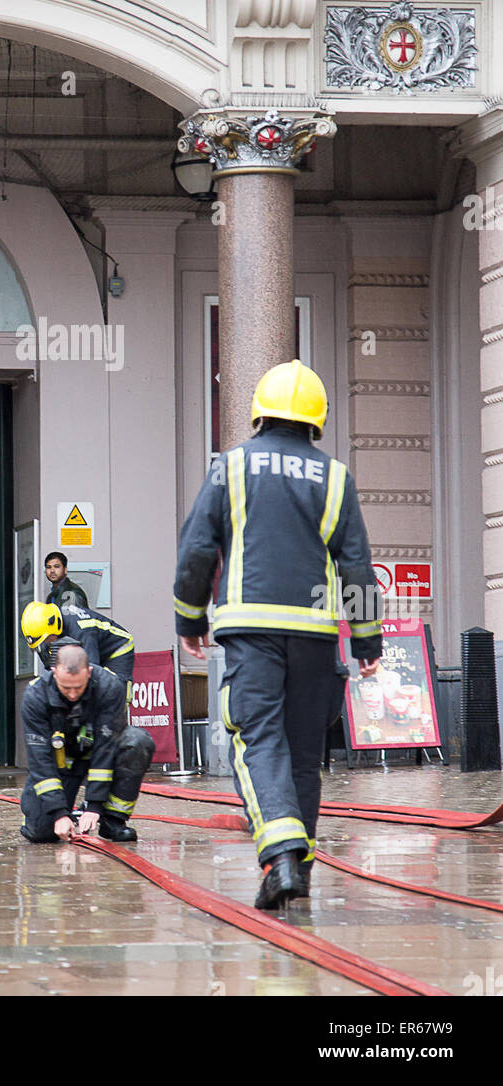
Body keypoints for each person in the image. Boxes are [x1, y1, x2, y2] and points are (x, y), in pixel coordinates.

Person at [173, 360, 382, 911]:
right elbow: (357, 565)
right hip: (316, 637)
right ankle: (298, 872)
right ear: (317, 419)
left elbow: (197, 546)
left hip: (252, 633)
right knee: (304, 754)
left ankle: (281, 855)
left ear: (258, 413)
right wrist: (367, 643)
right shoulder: (336, 476)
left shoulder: (230, 466)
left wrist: (189, 619)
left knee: (257, 737)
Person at [20, 640, 154, 844]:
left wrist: (95, 806)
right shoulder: (35, 696)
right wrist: (58, 813)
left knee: (137, 742)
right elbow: (40, 760)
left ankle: (113, 821)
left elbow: (106, 747)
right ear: (54, 673)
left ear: (89, 672)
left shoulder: (109, 686)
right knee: (41, 834)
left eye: (78, 687)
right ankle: (53, 815)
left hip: (97, 753)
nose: (73, 694)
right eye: (66, 688)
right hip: (61, 763)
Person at [20, 600, 135, 691]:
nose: (46, 644)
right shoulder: (46, 634)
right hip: (94, 648)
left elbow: (90, 669)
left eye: (47, 639)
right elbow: (52, 671)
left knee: (112, 689)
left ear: (55, 625)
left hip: (117, 649)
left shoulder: (83, 630)